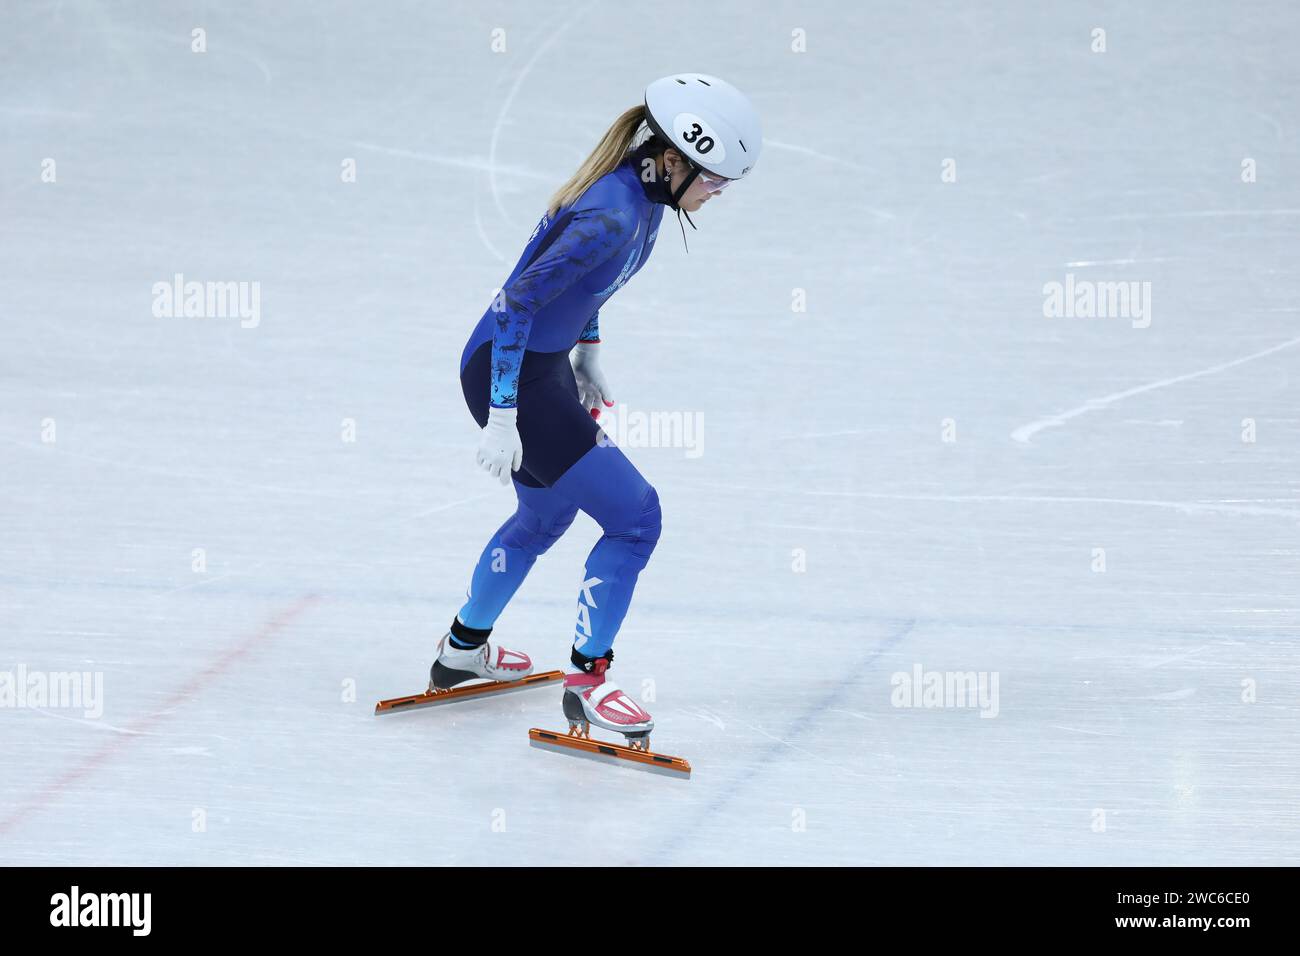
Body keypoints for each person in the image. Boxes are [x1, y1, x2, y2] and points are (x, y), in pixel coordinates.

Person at [430, 73, 761, 746]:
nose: (715, 196)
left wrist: (586, 351)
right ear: (673, 160)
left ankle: (463, 648)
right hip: (511, 374)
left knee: (545, 513)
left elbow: (588, 288)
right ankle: (587, 685)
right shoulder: (610, 214)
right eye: (714, 182)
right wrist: (501, 418)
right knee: (637, 519)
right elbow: (515, 304)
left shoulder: (642, 200)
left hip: (538, 368)